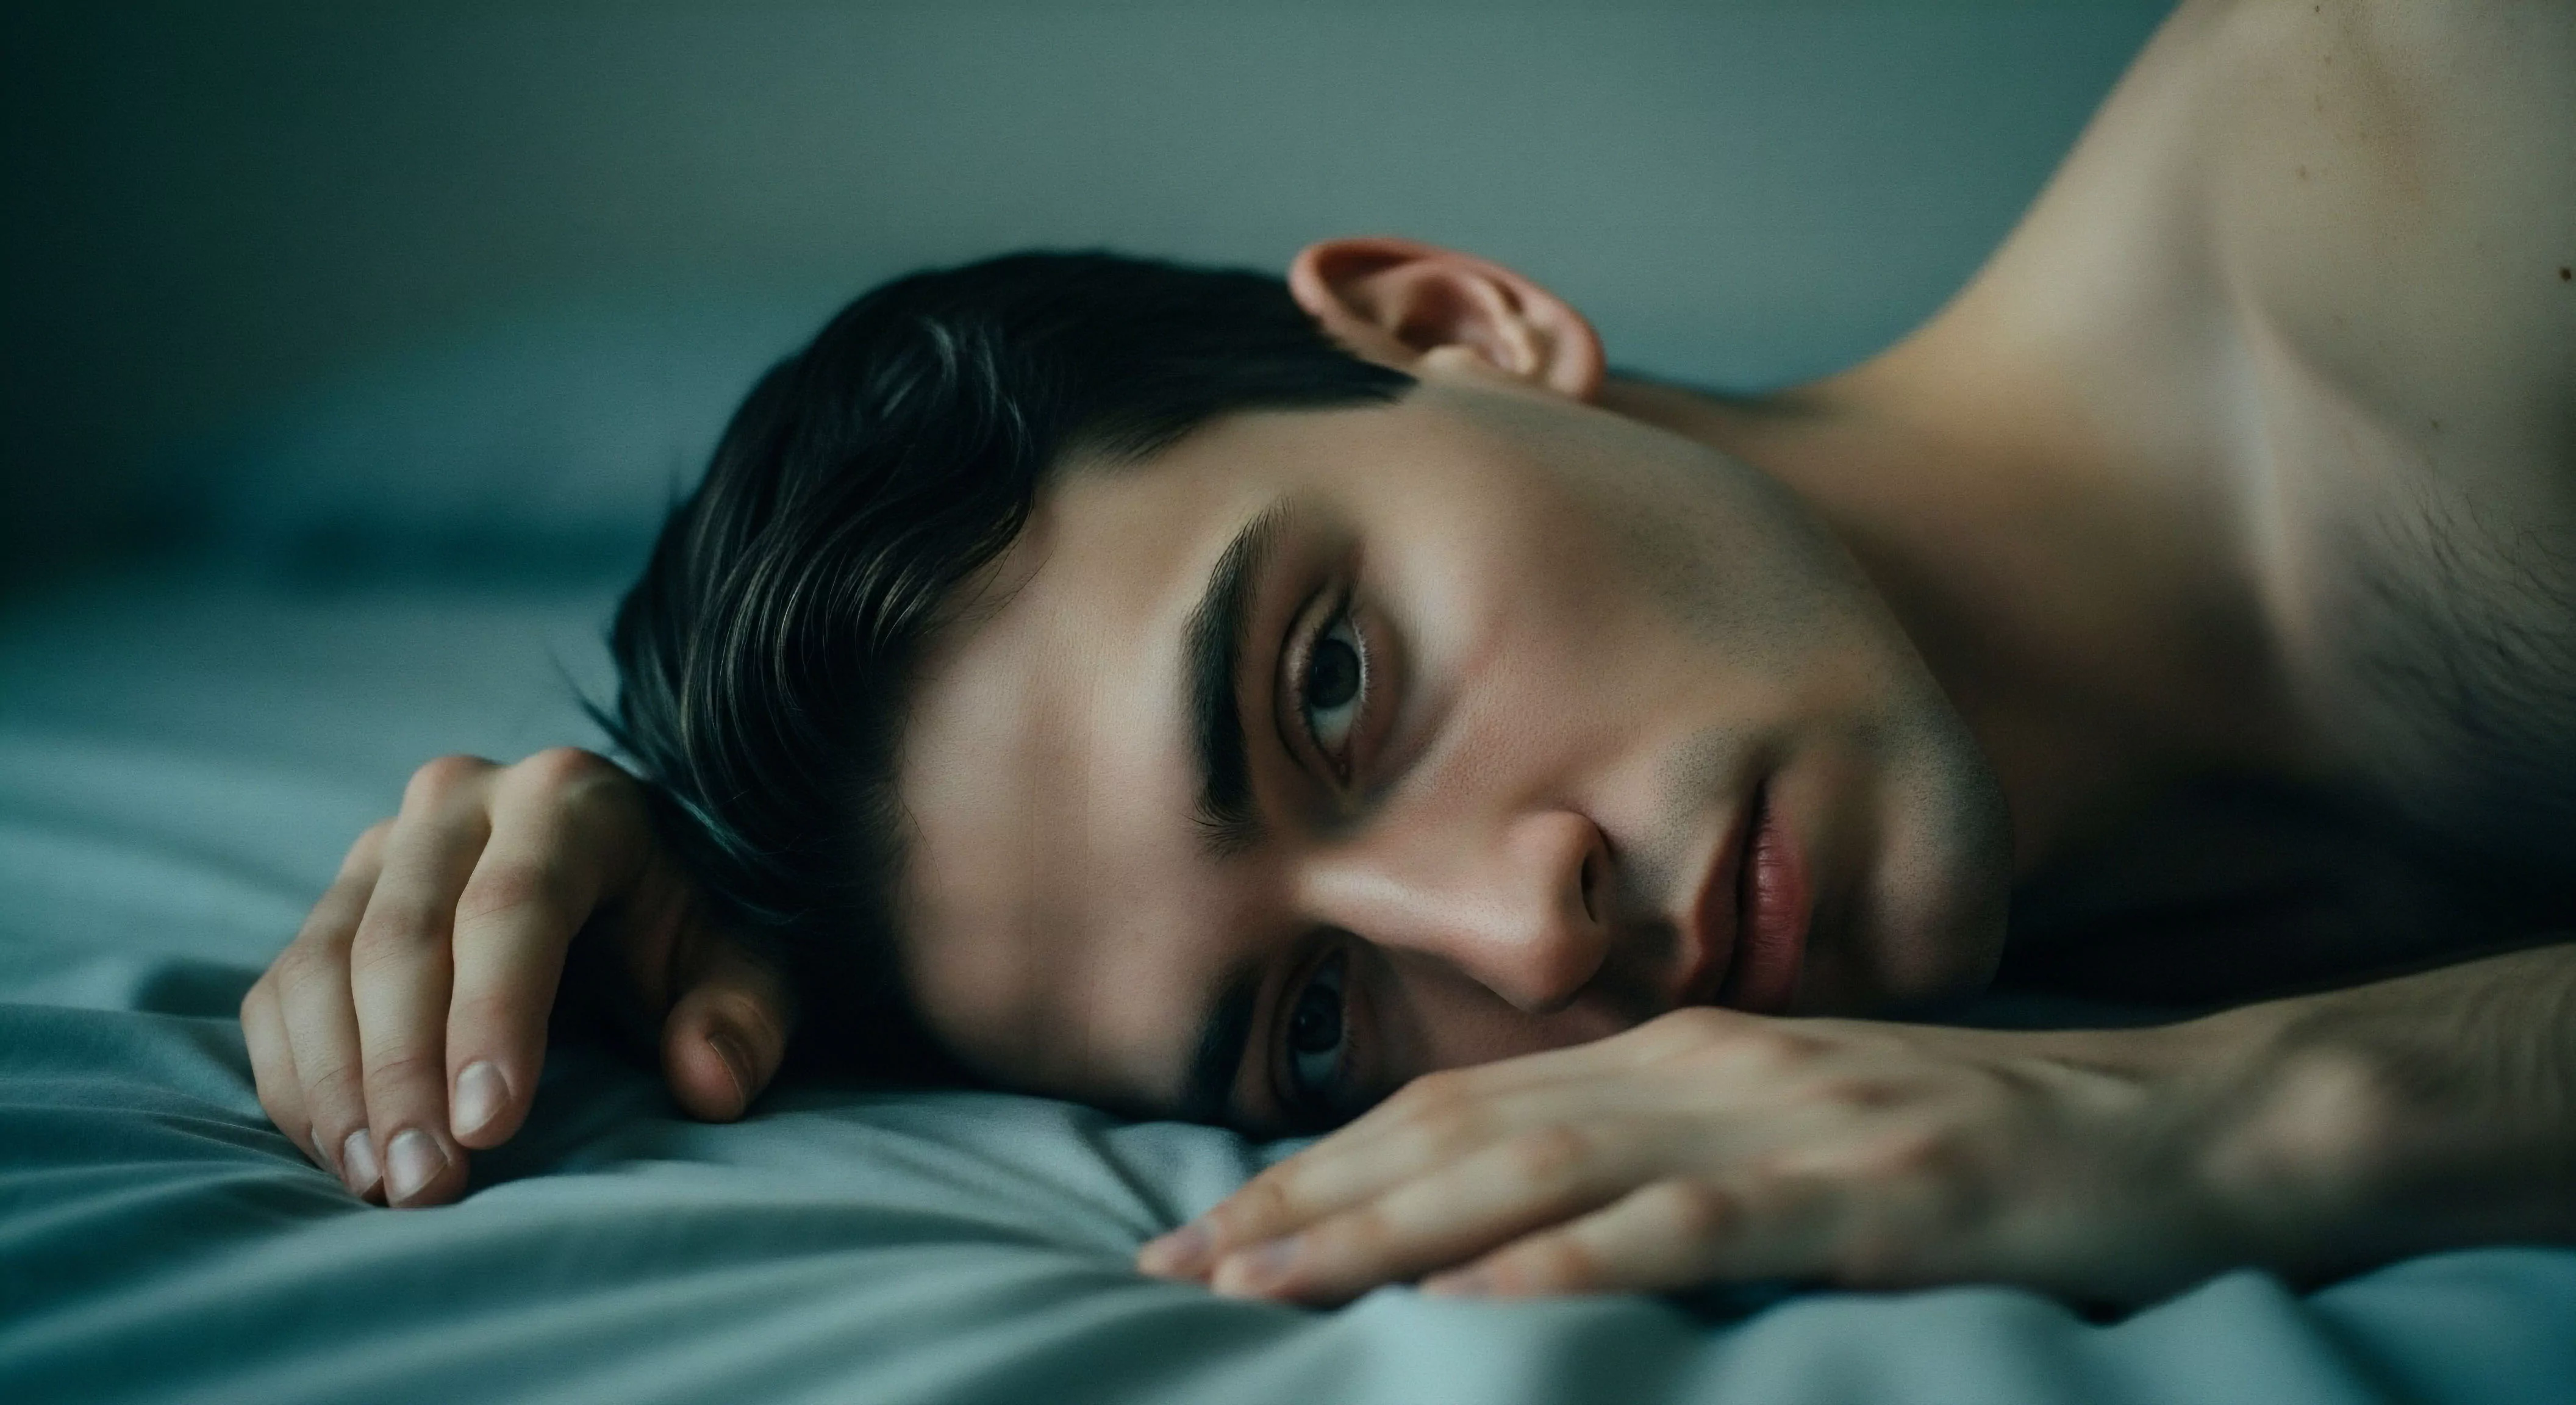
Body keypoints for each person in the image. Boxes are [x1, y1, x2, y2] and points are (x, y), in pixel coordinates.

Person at [240, 0, 2576, 1307]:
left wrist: (2280, 1113)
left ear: (1455, 325)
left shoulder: (2458, 160)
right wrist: (703, 904)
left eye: (1331, 686)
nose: (1521, 931)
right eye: (1325, 1025)